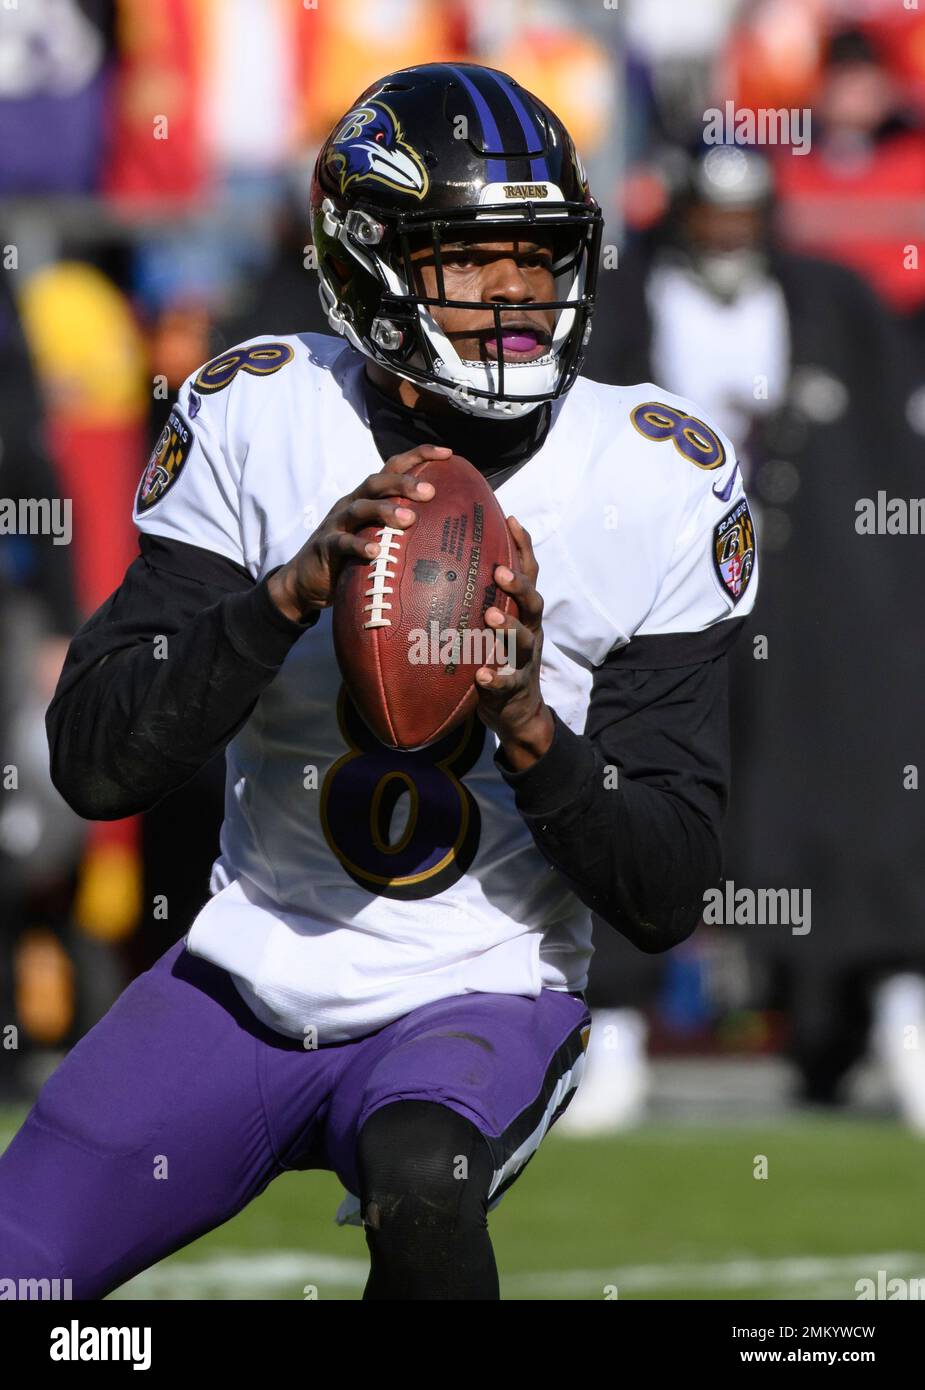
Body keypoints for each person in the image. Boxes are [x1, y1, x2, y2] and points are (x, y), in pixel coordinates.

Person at [0, 63, 756, 1300]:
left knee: (420, 1174)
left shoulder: (658, 476)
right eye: (474, 260)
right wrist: (282, 598)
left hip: (482, 985)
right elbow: (96, 758)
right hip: (246, 968)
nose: (519, 296)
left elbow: (665, 885)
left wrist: (525, 723)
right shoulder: (261, 411)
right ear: (369, 265)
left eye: (540, 256)